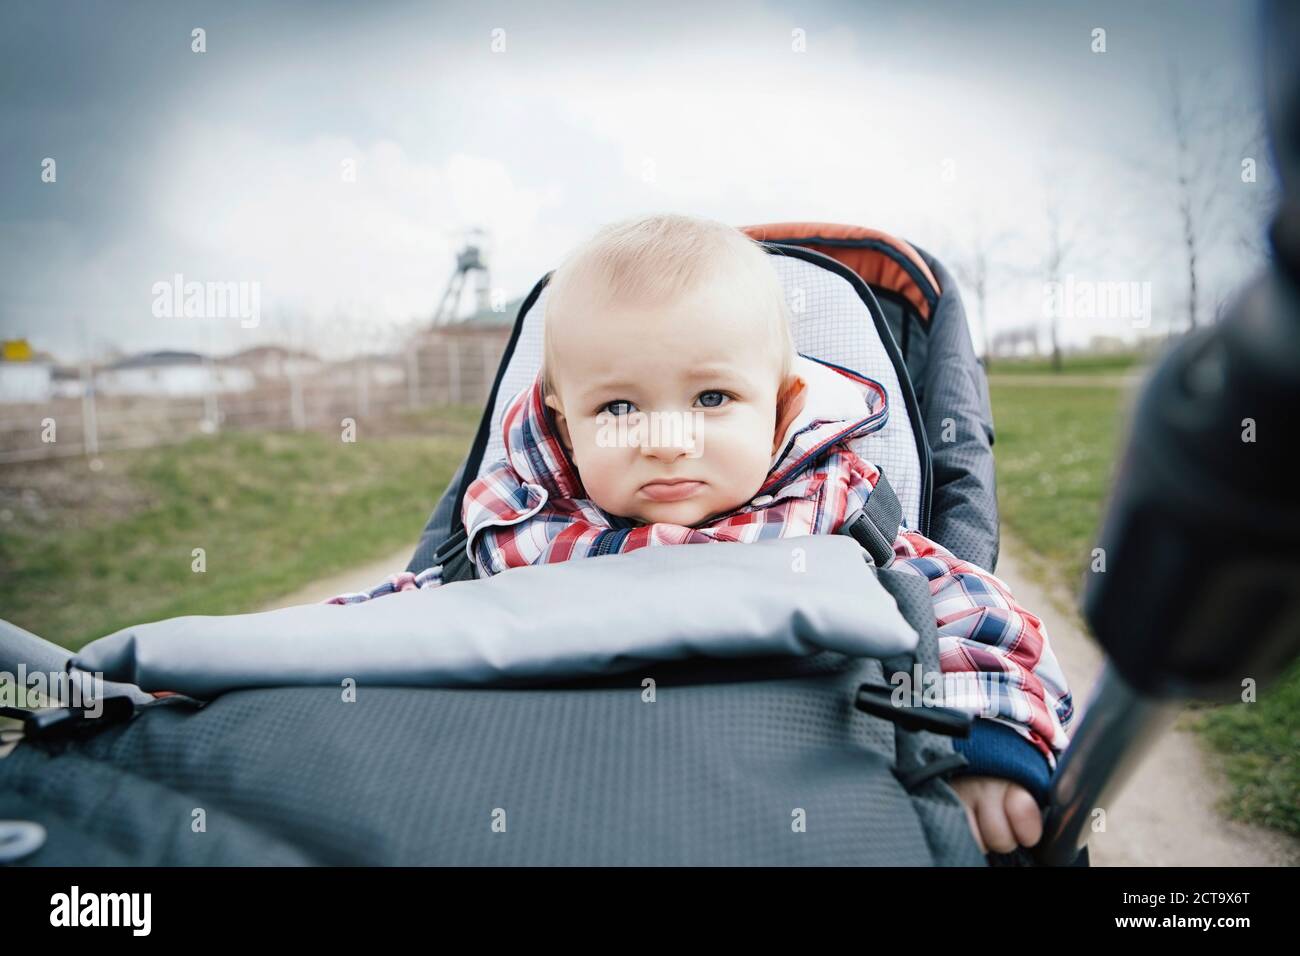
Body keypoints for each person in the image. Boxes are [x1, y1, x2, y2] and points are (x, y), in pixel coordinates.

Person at [329, 213, 1073, 856]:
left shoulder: (832, 509)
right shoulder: (527, 524)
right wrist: (291, 657)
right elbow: (419, 610)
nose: (667, 439)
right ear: (564, 423)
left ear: (780, 409)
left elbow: (968, 606)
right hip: (562, 785)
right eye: (619, 407)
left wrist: (984, 739)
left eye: (712, 397)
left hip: (791, 780)